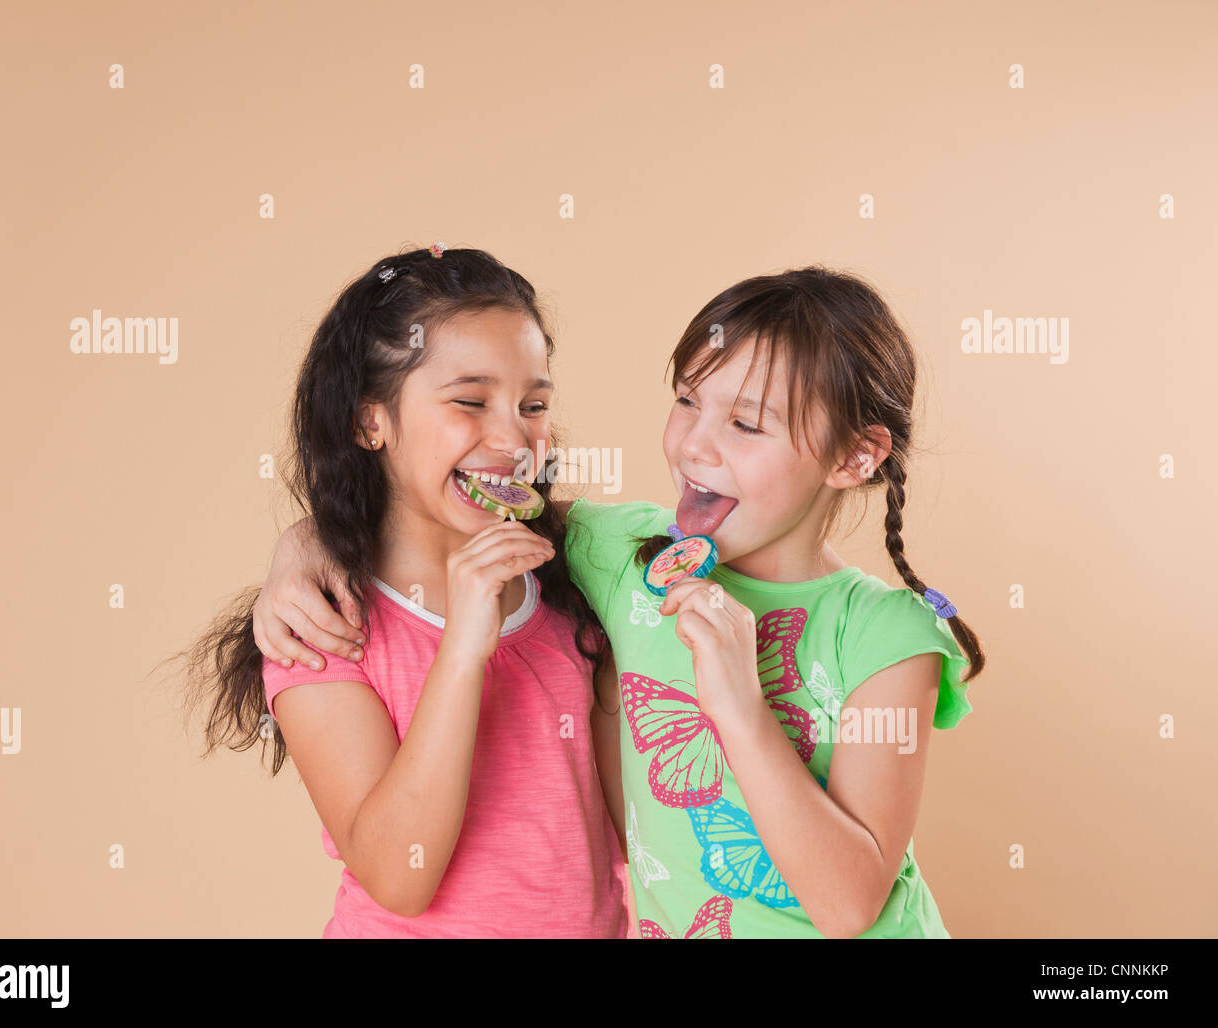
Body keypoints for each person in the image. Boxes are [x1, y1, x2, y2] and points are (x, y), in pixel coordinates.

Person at [252, 265, 987, 938]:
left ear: (857, 455)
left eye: (746, 423)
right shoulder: (626, 558)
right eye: (688, 402)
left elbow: (849, 904)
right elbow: (442, 513)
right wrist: (308, 540)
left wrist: (738, 706)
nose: (695, 446)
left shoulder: (887, 634)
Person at [179, 245, 628, 938]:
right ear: (371, 421)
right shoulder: (322, 625)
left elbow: (632, 835)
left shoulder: (578, 574)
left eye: (532, 404)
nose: (513, 438)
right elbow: (398, 876)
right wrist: (461, 649)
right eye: (470, 401)